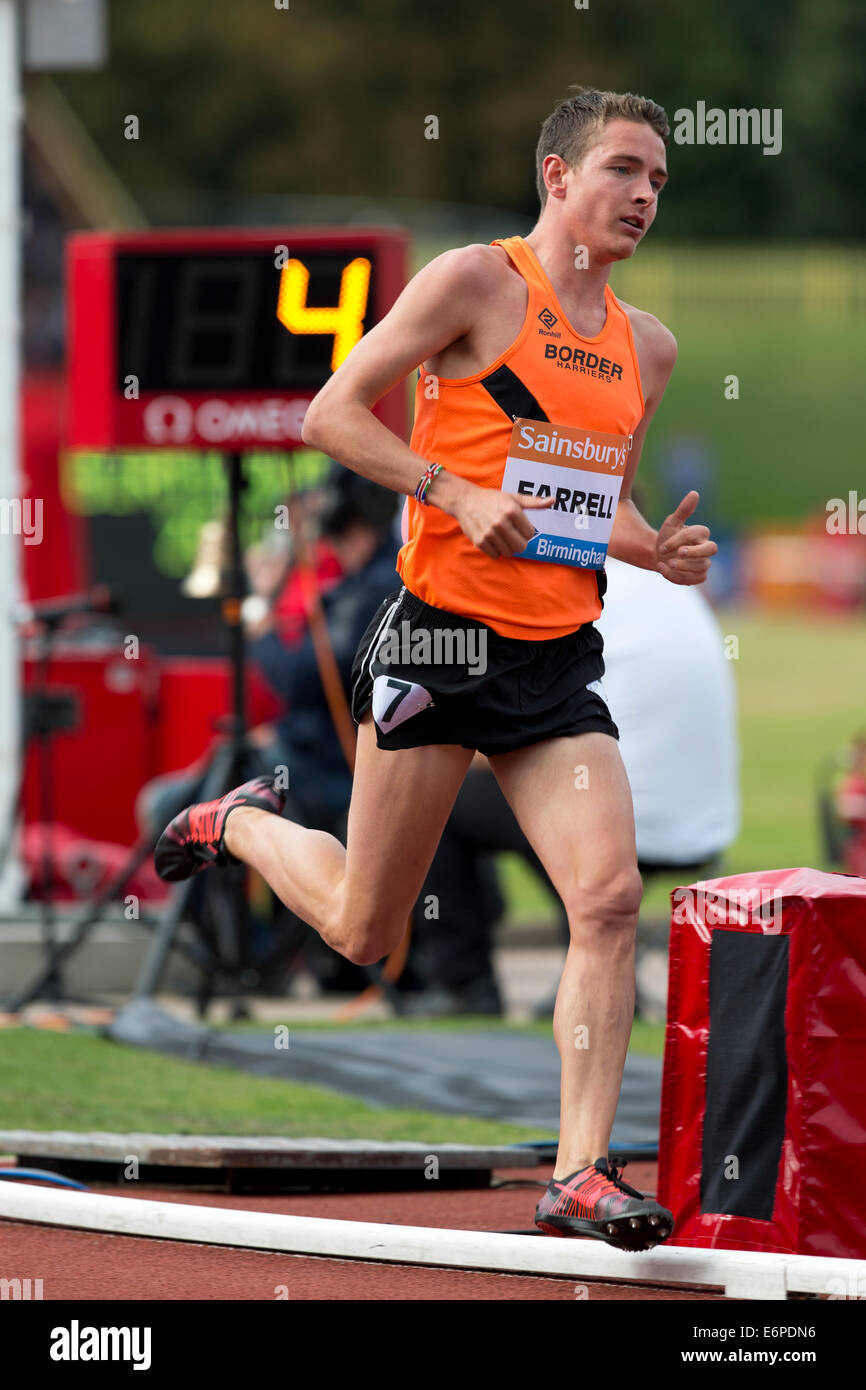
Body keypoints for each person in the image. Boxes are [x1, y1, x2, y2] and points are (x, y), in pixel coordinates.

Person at [155, 86, 718, 1250]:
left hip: (553, 661)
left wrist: (650, 545)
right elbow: (330, 415)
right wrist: (449, 488)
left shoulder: (646, 347)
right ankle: (243, 823)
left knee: (607, 901)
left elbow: (585, 498)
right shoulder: (474, 281)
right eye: (622, 169)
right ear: (556, 176)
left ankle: (577, 1170)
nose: (643, 194)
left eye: (658, 178)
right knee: (365, 928)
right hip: (438, 637)